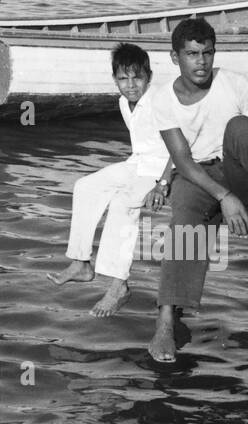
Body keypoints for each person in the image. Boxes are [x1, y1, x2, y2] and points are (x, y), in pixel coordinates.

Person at [149, 17, 248, 362]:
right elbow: (182, 160)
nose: (201, 62)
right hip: (199, 176)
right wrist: (225, 197)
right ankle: (165, 321)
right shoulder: (163, 99)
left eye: (207, 53)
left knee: (242, 126)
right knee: (184, 221)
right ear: (174, 57)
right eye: (192, 54)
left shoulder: (236, 83)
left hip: (241, 170)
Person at [48, 43, 173, 317]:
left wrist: (163, 184)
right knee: (85, 186)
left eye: (137, 77)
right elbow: (142, 146)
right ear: (114, 79)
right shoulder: (123, 102)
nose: (131, 85)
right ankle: (81, 263)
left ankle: (119, 286)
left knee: (122, 203)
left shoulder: (161, 101)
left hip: (163, 168)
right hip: (138, 163)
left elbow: (181, 146)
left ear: (149, 76)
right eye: (123, 78)